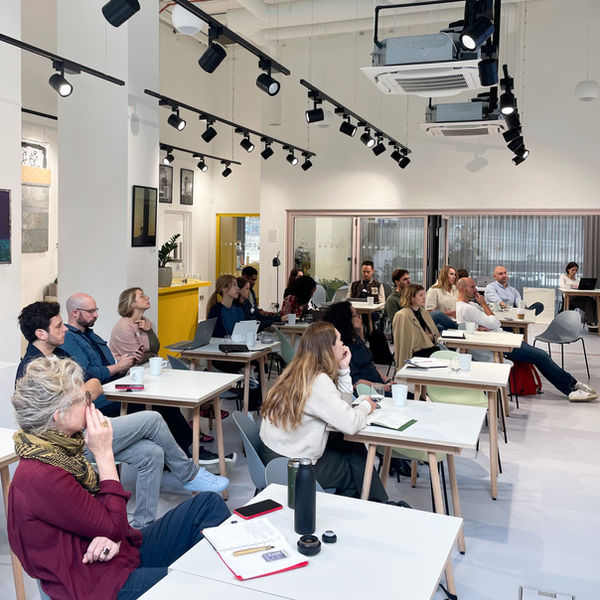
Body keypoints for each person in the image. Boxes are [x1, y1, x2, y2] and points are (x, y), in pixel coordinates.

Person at [8, 356, 230, 600]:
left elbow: (107, 523)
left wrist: (110, 534)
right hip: (99, 583)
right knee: (195, 585)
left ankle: (218, 580)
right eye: (82, 399)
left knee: (208, 505)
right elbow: (114, 524)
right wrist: (104, 454)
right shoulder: (43, 474)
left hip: (119, 552)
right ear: (58, 417)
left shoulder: (61, 451)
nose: (89, 404)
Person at [16, 302, 230, 528]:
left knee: (153, 453)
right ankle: (189, 475)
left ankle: (142, 527)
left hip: (89, 427)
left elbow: (95, 383)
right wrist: (81, 397)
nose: (65, 329)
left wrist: (78, 398)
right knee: (153, 419)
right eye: (59, 326)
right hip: (72, 443)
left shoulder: (60, 354)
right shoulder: (31, 370)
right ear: (41, 333)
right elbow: (53, 417)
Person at [61, 293, 229, 463]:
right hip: (99, 398)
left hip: (115, 386)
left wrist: (123, 365)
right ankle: (188, 454)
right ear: (75, 313)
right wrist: (118, 367)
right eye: (91, 311)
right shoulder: (69, 338)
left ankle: (182, 454)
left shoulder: (91, 335)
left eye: (96, 310)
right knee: (160, 405)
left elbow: (152, 349)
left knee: (164, 402)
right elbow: (89, 374)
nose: (96, 314)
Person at [258, 322, 393, 503]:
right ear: (328, 349)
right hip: (292, 466)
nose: (343, 344)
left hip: (275, 454)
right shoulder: (318, 381)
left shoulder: (297, 371)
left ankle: (380, 503)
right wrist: (366, 406)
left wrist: (344, 370)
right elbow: (351, 423)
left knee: (352, 449)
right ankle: (379, 504)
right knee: (355, 469)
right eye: (338, 341)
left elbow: (342, 406)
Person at [456, 277, 597, 402]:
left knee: (539, 355)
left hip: (501, 337)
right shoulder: (469, 308)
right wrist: (484, 304)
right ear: (462, 289)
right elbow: (495, 323)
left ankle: (571, 384)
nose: (476, 290)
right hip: (499, 343)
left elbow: (485, 323)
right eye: (472, 287)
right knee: (541, 356)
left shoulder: (469, 306)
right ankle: (571, 388)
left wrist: (481, 324)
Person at [109, 287, 220, 445]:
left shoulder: (146, 323)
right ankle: (188, 441)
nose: (147, 297)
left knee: (180, 392)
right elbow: (135, 359)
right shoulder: (123, 326)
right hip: (132, 377)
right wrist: (152, 355)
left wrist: (149, 331)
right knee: (169, 406)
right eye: (141, 296)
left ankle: (188, 438)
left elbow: (156, 347)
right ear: (132, 304)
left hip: (148, 371)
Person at [322, 301, 394, 392]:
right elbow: (355, 382)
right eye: (356, 315)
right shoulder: (343, 349)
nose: (360, 317)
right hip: (367, 391)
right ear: (346, 320)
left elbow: (370, 365)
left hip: (379, 385)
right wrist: (382, 387)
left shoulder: (355, 338)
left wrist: (387, 380)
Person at [392, 284, 441, 367]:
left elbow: (433, 334)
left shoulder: (423, 312)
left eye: (424, 295)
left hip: (428, 347)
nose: (424, 298)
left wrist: (430, 336)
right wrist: (426, 337)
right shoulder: (402, 315)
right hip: (415, 352)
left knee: (450, 353)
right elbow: (404, 342)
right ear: (412, 297)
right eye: (421, 295)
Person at [425, 265, 460, 332]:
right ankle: (459, 328)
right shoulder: (434, 290)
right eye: (451, 274)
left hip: (456, 320)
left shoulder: (455, 289)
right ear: (444, 275)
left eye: (455, 275)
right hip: (443, 321)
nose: (454, 277)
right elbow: (429, 312)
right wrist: (447, 313)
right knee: (439, 319)